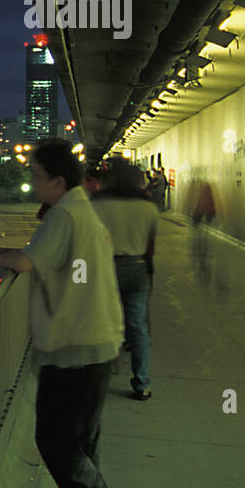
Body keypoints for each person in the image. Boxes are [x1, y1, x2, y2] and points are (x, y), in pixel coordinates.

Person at [0, 140, 142, 488]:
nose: (31, 183)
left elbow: (27, 262)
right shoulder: (84, 209)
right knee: (82, 443)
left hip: (74, 346)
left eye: (35, 175)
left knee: (55, 441)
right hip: (99, 340)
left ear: (57, 180)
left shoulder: (64, 215)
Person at [91, 159, 158, 400]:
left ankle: (98, 379)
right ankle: (142, 383)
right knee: (137, 327)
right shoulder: (149, 207)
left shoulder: (99, 203)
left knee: (104, 323)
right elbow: (151, 244)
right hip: (138, 267)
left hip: (107, 267)